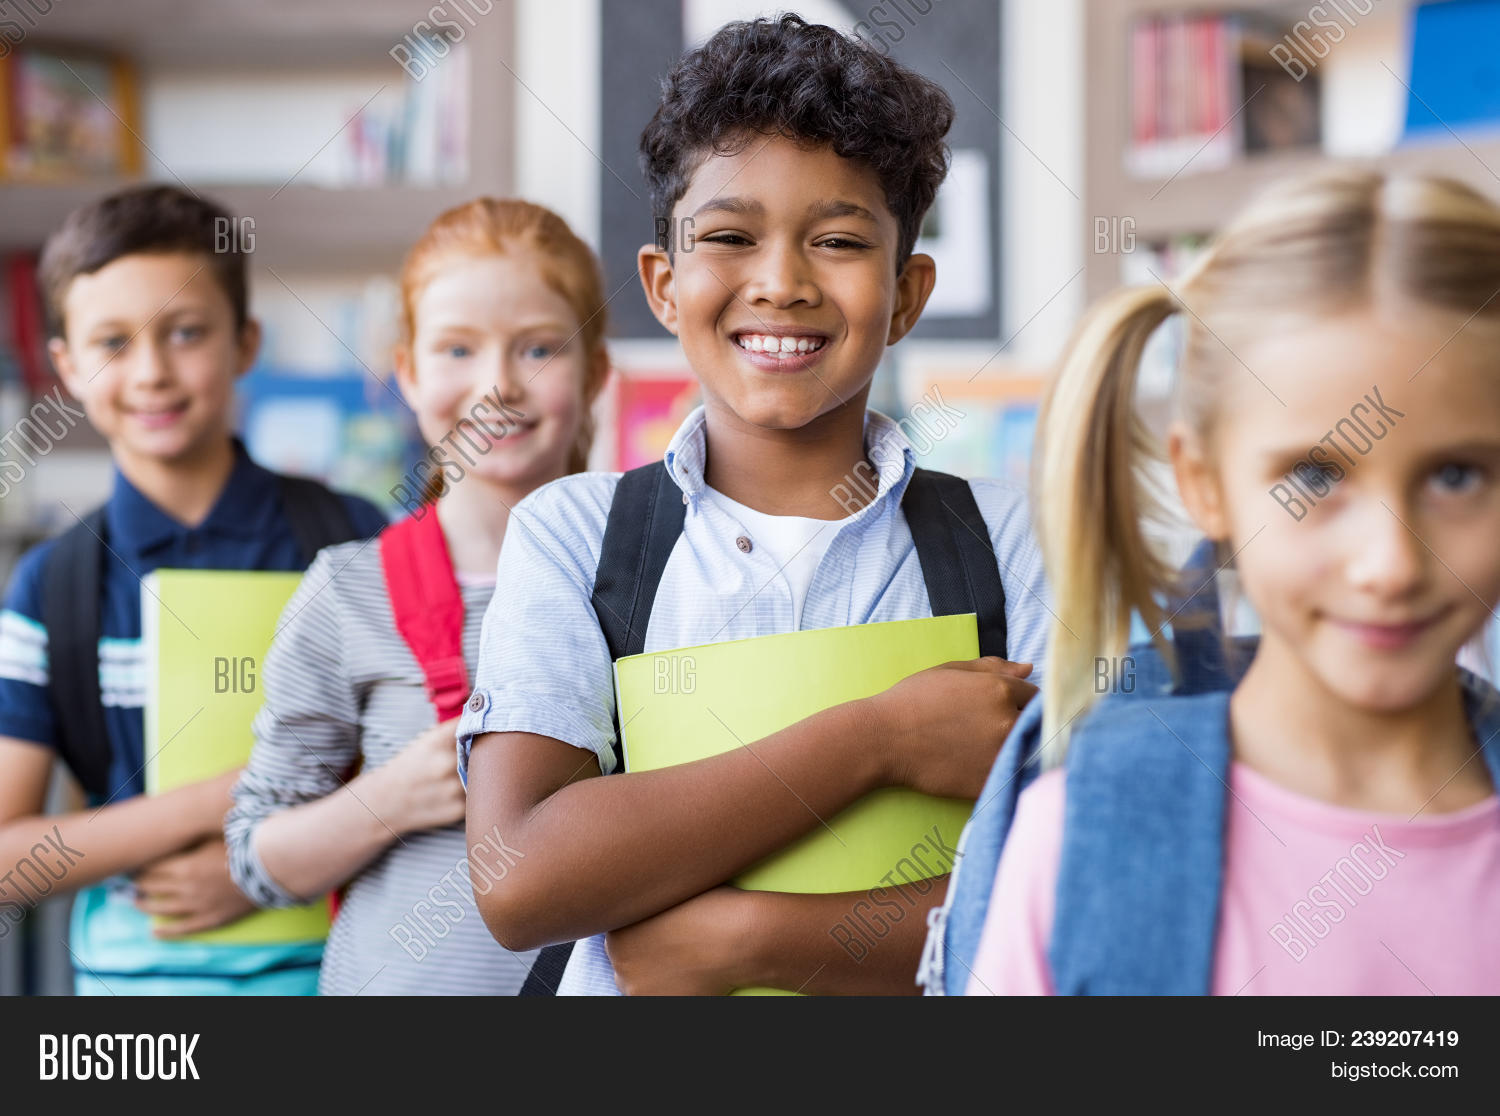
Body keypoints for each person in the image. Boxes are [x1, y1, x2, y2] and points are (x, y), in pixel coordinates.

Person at [459, 15, 1051, 996]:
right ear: (664, 284)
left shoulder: (1013, 537)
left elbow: (1066, 882)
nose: (781, 283)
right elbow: (519, 878)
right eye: (730, 237)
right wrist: (883, 738)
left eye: (838, 240)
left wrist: (749, 942)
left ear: (906, 296)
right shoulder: (576, 535)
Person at [963, 170, 1500, 995]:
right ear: (1204, 482)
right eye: (1316, 480)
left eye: (1459, 476)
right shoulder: (1082, 844)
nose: (1390, 566)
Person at [0, 185, 386, 994]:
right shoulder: (53, 586)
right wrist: (228, 801)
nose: (150, 372)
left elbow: (423, 765)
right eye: (112, 341)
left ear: (244, 342)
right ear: (66, 366)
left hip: (346, 974)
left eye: (185, 332)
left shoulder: (354, 540)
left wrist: (261, 865)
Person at [223, 198, 610, 995]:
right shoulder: (347, 592)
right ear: (407, 374)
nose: (498, 385)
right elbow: (258, 857)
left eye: (539, 347)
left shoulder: (659, 577)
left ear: (596, 371)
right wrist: (387, 801)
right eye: (458, 349)